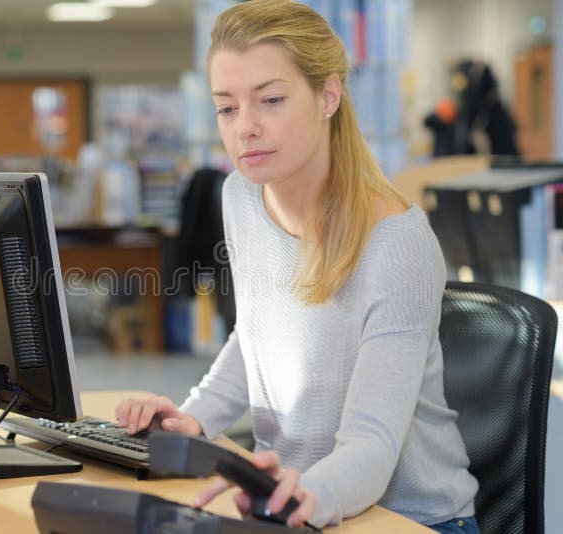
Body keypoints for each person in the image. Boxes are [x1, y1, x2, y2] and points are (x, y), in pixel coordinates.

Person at [115, 1, 479, 532]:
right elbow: (256, 334)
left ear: (328, 96)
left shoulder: (397, 242)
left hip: (406, 518)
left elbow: (373, 447)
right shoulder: (241, 195)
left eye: (271, 100)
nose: (245, 128)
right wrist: (194, 419)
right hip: (293, 505)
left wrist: (305, 492)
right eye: (227, 108)